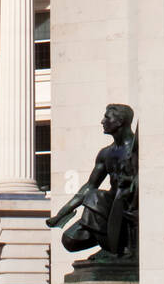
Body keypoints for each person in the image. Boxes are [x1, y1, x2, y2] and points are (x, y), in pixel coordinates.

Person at [45, 103, 138, 262]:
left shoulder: (138, 148)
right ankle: (111, 246)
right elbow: (89, 186)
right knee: (69, 240)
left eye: (107, 117)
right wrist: (62, 213)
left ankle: (115, 250)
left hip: (129, 205)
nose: (102, 121)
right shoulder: (105, 153)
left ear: (119, 121)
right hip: (110, 206)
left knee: (96, 197)